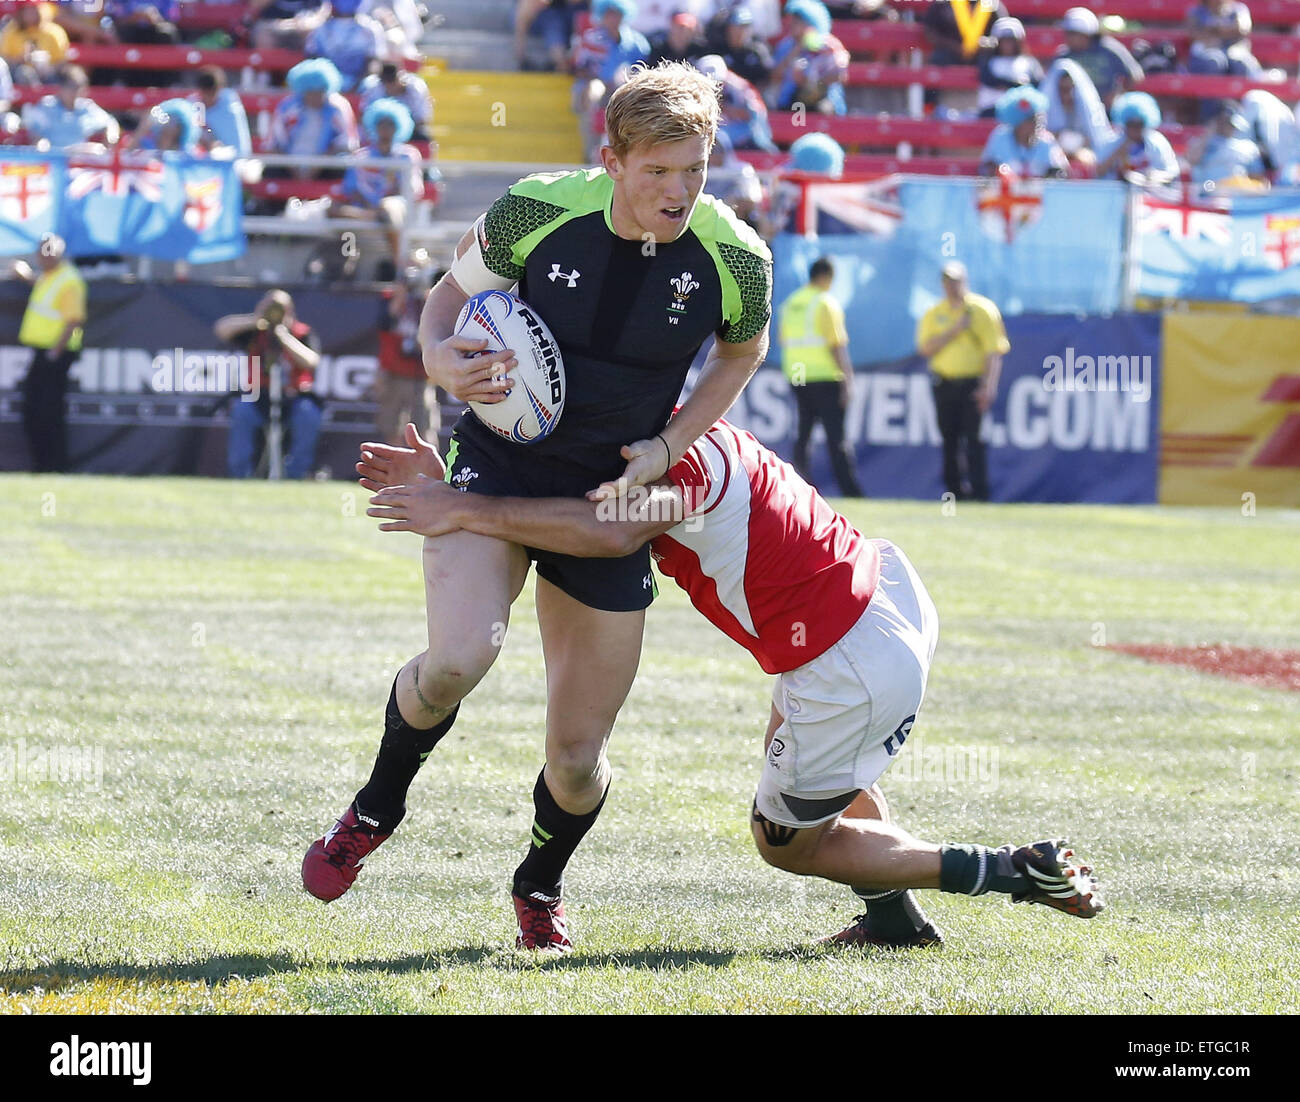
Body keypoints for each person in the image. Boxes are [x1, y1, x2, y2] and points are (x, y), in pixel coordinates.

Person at [300, 62, 773, 954]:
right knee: (458, 659)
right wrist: (440, 361)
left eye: (695, 171)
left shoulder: (735, 254)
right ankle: (374, 808)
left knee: (578, 756)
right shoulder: (535, 208)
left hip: (608, 501)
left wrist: (670, 447)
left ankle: (538, 885)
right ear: (613, 158)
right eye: (658, 172)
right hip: (495, 464)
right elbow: (447, 299)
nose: (678, 192)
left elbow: (740, 353)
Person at [359, 419, 1105, 946]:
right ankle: (892, 918)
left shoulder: (667, 474)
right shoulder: (689, 431)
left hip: (845, 660)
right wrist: (456, 473)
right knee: (812, 764)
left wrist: (455, 502)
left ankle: (1011, 872)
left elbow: (604, 529)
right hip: (877, 596)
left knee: (785, 840)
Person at [916, 260, 1008, 503]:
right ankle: (954, 494)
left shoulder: (982, 310)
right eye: (947, 281)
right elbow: (926, 348)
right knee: (949, 439)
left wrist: (988, 386)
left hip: (971, 384)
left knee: (974, 439)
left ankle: (979, 493)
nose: (951, 286)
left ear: (964, 281)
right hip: (944, 383)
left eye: (955, 281)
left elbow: (993, 351)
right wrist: (954, 331)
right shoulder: (935, 313)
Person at [216, 290, 324, 480]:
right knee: (242, 412)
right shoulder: (255, 333)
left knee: (309, 415)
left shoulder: (301, 333)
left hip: (293, 398)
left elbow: (312, 361)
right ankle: (240, 476)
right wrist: (258, 319)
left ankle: (295, 476)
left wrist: (284, 336)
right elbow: (222, 328)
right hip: (259, 396)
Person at [779, 256, 862, 497]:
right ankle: (850, 490)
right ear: (827, 277)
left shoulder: (792, 302)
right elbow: (837, 345)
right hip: (826, 377)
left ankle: (800, 486)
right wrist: (848, 380)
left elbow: (785, 340)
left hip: (798, 377)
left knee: (803, 434)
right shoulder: (825, 303)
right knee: (836, 437)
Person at [12, 234, 86, 474]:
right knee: (34, 410)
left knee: (48, 411)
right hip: (43, 352)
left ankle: (53, 467)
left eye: (46, 253)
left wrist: (55, 352)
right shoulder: (49, 277)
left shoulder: (69, 280)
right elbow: (45, 291)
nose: (42, 258)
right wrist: (26, 276)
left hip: (56, 354)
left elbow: (73, 320)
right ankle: (42, 466)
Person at [334, 98, 425, 278]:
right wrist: (370, 206)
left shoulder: (408, 155)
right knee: (331, 208)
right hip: (365, 209)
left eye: (390, 124)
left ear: (398, 126)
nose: (385, 128)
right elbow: (351, 189)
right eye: (381, 124)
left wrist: (385, 200)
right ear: (374, 126)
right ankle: (373, 218)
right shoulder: (361, 156)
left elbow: (412, 190)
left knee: (388, 208)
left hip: (398, 206)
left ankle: (399, 264)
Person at [571, 0, 650, 160]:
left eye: (617, 14)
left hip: (625, 90)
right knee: (593, 89)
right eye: (609, 14)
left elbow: (644, 72)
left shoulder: (637, 42)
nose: (613, 19)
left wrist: (625, 78)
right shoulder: (591, 39)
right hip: (596, 88)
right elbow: (579, 69)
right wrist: (603, 79)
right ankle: (591, 151)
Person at [375, 265, 438, 447]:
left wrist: (429, 298)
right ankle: (396, 472)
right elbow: (384, 324)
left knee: (424, 428)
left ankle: (426, 472)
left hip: (421, 376)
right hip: (394, 373)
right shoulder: (390, 299)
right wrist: (400, 295)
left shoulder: (432, 301)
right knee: (391, 427)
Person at [270, 58, 359, 170]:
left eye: (320, 92)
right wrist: (291, 166)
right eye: (311, 92)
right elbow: (274, 144)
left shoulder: (338, 107)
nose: (316, 97)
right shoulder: (288, 108)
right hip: (289, 164)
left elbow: (348, 144)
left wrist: (321, 162)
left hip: (327, 165)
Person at [772, 1, 850, 115]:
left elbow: (842, 75)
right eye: (792, 20)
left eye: (798, 21)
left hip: (824, 98)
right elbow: (775, 76)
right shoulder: (785, 46)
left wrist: (816, 83)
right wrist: (798, 49)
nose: (792, 25)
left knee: (823, 109)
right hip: (792, 99)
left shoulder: (828, 44)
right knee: (796, 111)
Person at [978, 86, 1070, 179]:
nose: (1037, 123)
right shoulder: (1000, 137)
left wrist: (1050, 175)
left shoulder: (1047, 141)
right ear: (1017, 122)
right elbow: (987, 169)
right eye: (1030, 120)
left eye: (1039, 119)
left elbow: (1061, 172)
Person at [1055, 7, 1142, 104]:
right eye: (1066, 33)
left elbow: (1135, 75)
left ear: (1085, 34)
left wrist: (1118, 95)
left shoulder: (1109, 49)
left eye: (1072, 33)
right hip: (1076, 110)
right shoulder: (1064, 55)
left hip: (1108, 110)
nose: (1067, 37)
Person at [22, 65, 119, 149]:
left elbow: (110, 122)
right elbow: (35, 135)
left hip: (79, 161)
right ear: (61, 88)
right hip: (53, 160)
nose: (75, 92)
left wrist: (110, 137)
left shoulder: (86, 108)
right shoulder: (47, 106)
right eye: (71, 87)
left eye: (79, 88)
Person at [1041, 57, 1112, 172]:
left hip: (1084, 160)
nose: (1067, 95)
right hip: (1051, 163)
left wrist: (1074, 146)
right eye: (1062, 89)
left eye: (1070, 89)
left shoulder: (1087, 109)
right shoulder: (1044, 109)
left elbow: (1096, 139)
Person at [695, 53, 776, 152]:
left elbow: (752, 116)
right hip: (716, 133)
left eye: (718, 82)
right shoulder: (693, 88)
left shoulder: (739, 87)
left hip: (747, 133)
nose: (716, 86)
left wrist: (723, 109)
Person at [1095, 91, 1178, 185]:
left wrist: (1153, 178)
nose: (1134, 129)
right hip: (1116, 194)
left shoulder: (1157, 141)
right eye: (1130, 124)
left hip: (1151, 194)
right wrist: (1119, 151)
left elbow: (1172, 173)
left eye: (1139, 125)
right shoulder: (1113, 141)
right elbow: (1098, 171)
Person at [304, 0, 387, 90]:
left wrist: (357, 83)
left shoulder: (369, 28)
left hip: (360, 84)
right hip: (325, 84)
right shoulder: (322, 28)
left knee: (372, 84)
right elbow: (313, 59)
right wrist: (328, 80)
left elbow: (374, 63)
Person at [1189, 100, 1267, 189]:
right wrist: (1209, 132)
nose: (1229, 127)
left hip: (1239, 196)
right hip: (1209, 193)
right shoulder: (1204, 143)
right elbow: (1192, 160)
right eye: (1225, 122)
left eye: (1230, 124)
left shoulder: (1248, 147)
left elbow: (1258, 178)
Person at [976, 19, 1044, 118]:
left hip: (1021, 112)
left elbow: (1038, 84)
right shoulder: (990, 62)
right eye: (1004, 40)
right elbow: (988, 80)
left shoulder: (1029, 62)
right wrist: (1016, 84)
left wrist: (1010, 86)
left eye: (1011, 40)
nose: (1007, 44)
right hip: (992, 111)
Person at [358, 61, 432, 143]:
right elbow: (364, 116)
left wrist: (403, 131)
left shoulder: (416, 89)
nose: (390, 86)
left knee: (423, 136)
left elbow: (421, 119)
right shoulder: (373, 89)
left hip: (412, 129)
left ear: (399, 79)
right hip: (379, 131)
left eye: (392, 81)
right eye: (386, 82)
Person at [0, 2, 68, 84]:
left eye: (34, 9)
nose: (30, 13)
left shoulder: (54, 32)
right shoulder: (11, 31)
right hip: (18, 73)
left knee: (65, 79)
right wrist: (20, 59)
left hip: (49, 74)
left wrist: (49, 68)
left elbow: (62, 61)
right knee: (24, 73)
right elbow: (4, 60)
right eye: (27, 10)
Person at [192, 67, 252, 159]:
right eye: (206, 93)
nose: (209, 98)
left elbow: (240, 150)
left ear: (219, 90)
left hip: (227, 164)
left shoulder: (230, 108)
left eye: (212, 93)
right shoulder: (191, 107)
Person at [514, 0, 586, 72]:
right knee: (552, 20)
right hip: (543, 16)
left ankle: (563, 61)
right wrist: (520, 55)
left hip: (568, 13)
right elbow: (524, 13)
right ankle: (561, 61)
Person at [713, 5, 773, 88]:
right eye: (737, 27)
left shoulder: (757, 51)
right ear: (728, 29)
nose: (741, 32)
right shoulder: (717, 50)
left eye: (745, 27)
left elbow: (767, 77)